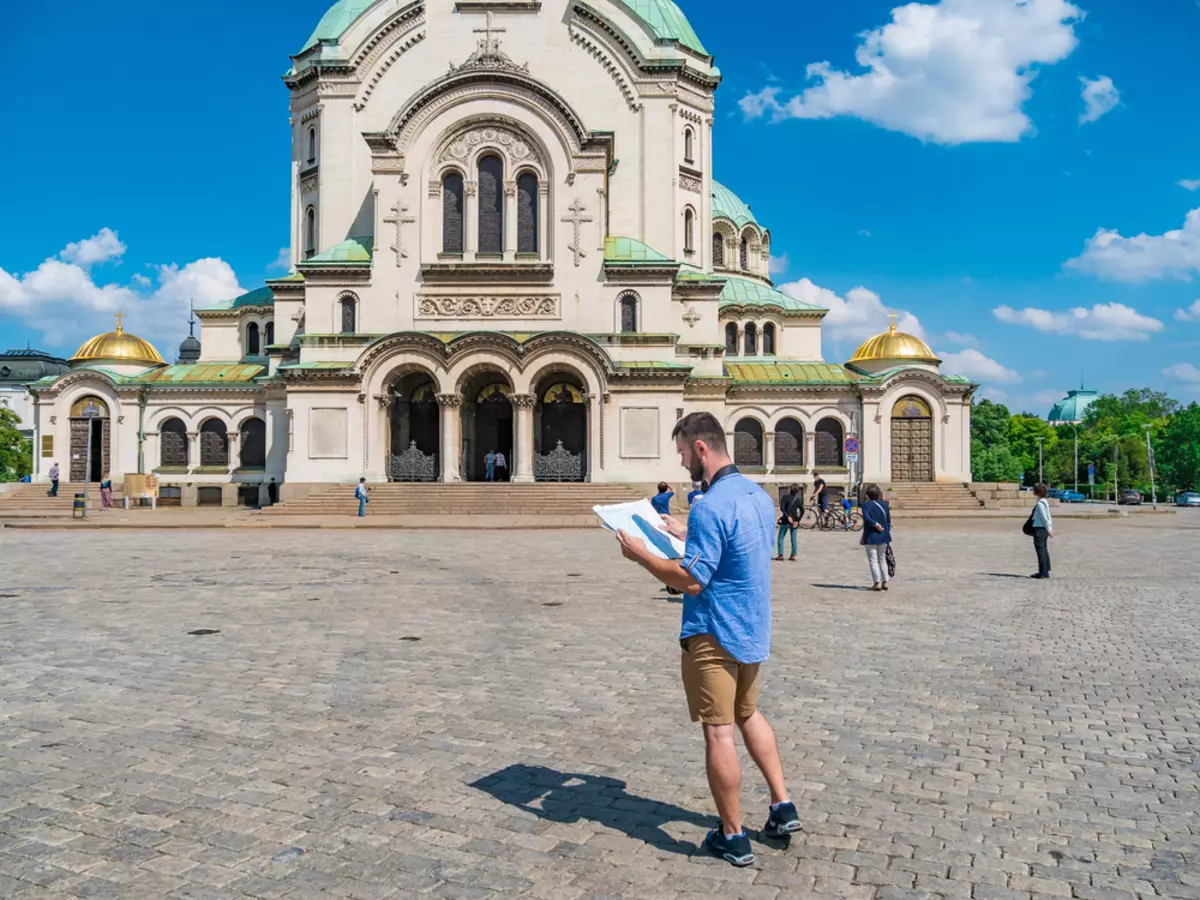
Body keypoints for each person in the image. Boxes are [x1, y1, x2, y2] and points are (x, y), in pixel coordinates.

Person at [615, 411, 801, 867]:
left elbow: (692, 580)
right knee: (749, 713)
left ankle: (733, 836)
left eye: (682, 453)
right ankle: (782, 806)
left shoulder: (710, 505)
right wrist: (685, 531)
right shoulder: (754, 495)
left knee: (719, 732)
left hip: (714, 633)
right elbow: (732, 547)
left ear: (701, 448)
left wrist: (640, 555)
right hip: (752, 629)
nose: (682, 464)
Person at [860, 484, 892, 591]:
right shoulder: (884, 505)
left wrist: (875, 524)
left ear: (868, 495)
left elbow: (866, 517)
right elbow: (888, 521)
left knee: (873, 560)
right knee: (883, 559)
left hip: (871, 536)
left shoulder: (866, 505)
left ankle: (877, 582)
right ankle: (885, 581)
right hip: (884, 535)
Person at [1030, 483, 1054, 579]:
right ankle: (1046, 571)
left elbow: (1044, 517)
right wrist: (1049, 527)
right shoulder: (1044, 501)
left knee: (1040, 551)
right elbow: (1048, 517)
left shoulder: (1040, 504)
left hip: (1040, 529)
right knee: (1044, 550)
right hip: (1043, 529)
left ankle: (1042, 572)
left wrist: (1049, 529)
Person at [775, 484, 801, 561]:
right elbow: (802, 511)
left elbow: (782, 508)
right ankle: (793, 555)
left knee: (781, 537)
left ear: (790, 489)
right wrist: (798, 520)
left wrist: (788, 516)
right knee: (793, 538)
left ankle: (781, 555)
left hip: (785, 521)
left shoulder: (785, 497)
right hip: (794, 522)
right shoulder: (798, 499)